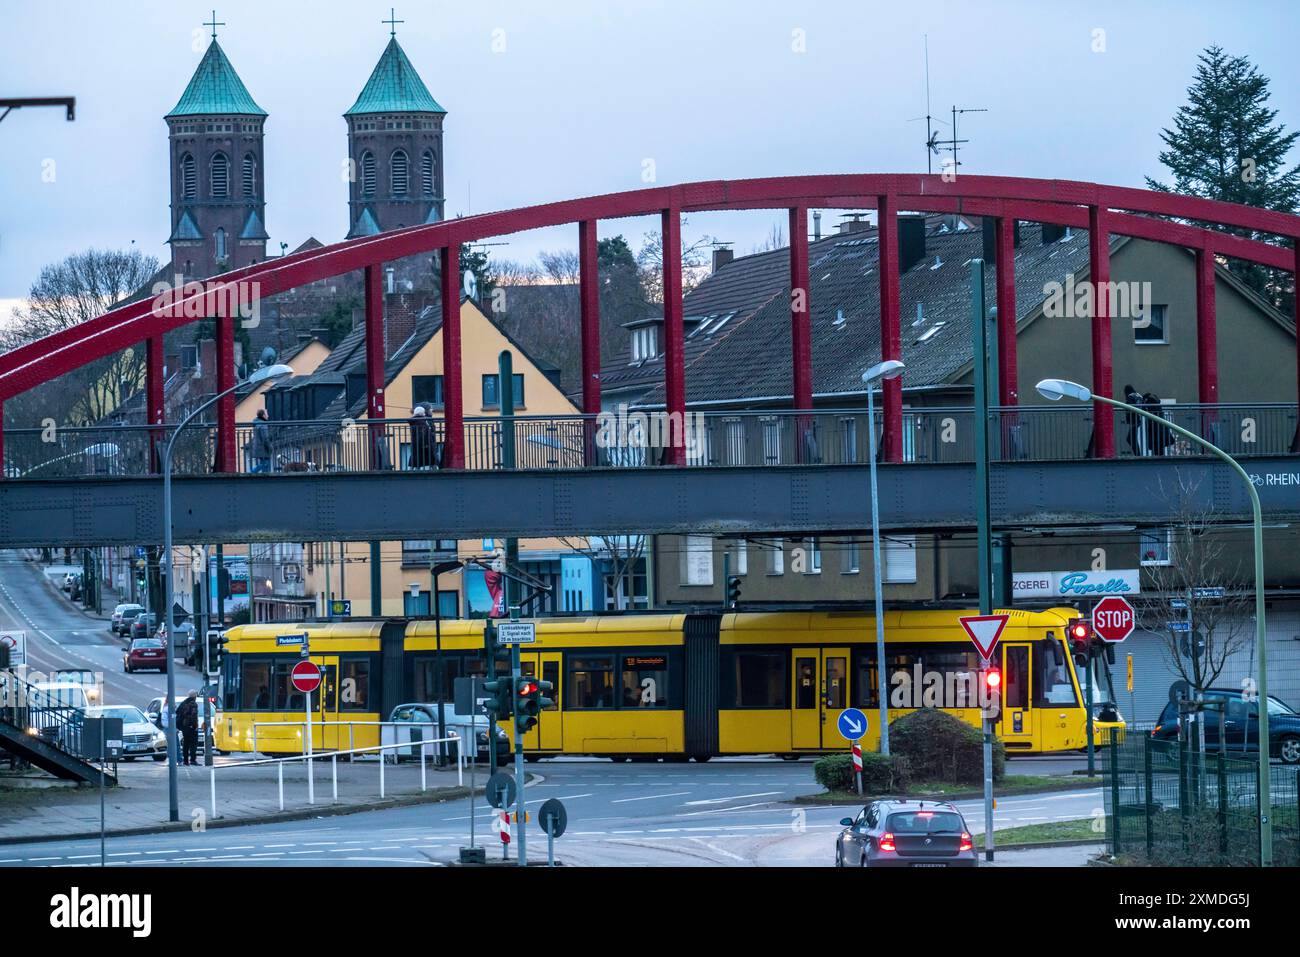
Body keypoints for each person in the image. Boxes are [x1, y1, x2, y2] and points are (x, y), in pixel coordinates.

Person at [176, 690, 199, 766]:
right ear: (194, 696)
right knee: (193, 744)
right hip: (191, 727)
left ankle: (186, 761)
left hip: (184, 727)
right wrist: (195, 726)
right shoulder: (193, 704)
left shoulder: (183, 703)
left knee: (185, 744)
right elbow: (194, 717)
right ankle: (193, 760)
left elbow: (177, 712)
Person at [249, 409, 273, 473]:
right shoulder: (263, 424)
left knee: (265, 463)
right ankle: (251, 473)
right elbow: (265, 438)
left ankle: (265, 478)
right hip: (263, 447)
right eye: (267, 414)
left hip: (259, 447)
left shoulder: (257, 423)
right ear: (263, 415)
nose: (268, 416)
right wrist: (270, 447)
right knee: (265, 463)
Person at [1123, 384, 1143, 455]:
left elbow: (1130, 407)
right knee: (1131, 438)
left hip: (1134, 420)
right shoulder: (1138, 395)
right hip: (1138, 419)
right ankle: (1137, 454)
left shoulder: (1130, 396)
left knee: (1130, 439)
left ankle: (1138, 454)